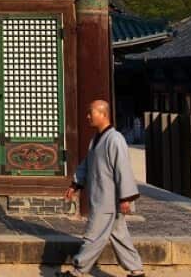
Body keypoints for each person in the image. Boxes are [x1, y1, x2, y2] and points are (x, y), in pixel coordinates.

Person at [58, 99, 145, 277]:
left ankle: (78, 270)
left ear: (103, 114)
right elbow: (87, 164)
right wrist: (75, 184)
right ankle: (136, 270)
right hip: (101, 197)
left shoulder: (115, 139)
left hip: (108, 200)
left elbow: (123, 169)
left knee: (93, 236)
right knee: (120, 236)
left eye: (91, 113)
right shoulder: (96, 139)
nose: (88, 116)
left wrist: (125, 198)